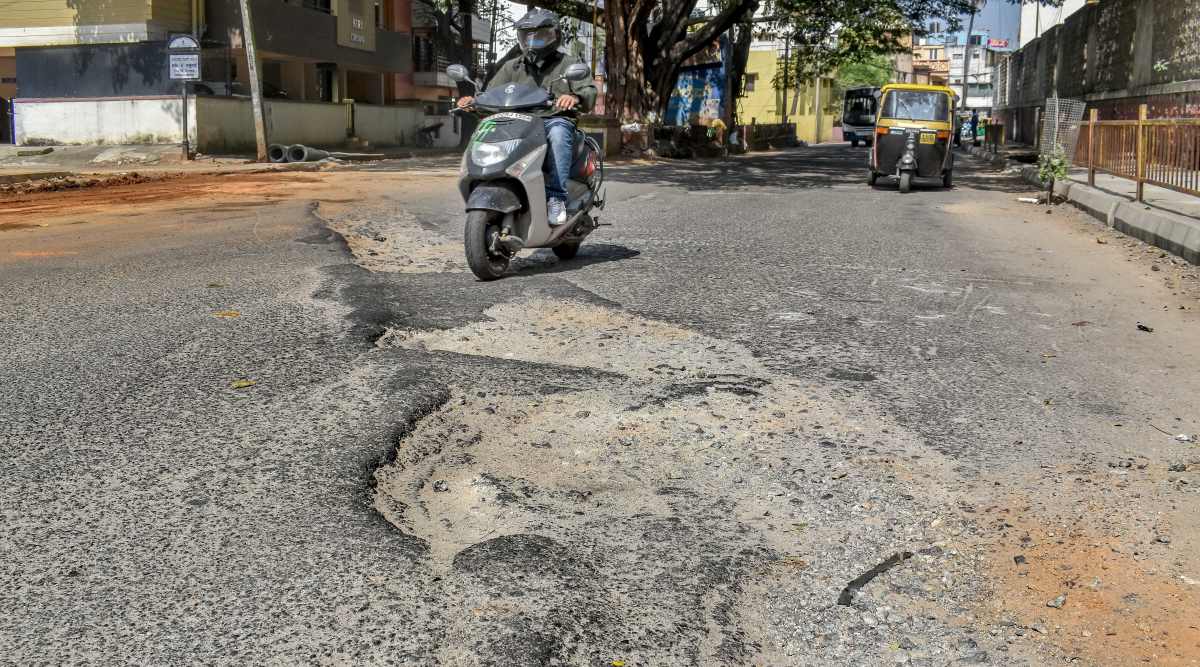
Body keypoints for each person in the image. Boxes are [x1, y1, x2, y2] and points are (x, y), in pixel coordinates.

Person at [456, 9, 597, 226]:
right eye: (527, 36)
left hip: (552, 118)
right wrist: (474, 103)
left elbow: (588, 91)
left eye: (540, 36)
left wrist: (574, 96)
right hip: (517, 121)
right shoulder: (512, 66)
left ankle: (557, 198)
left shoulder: (567, 63)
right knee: (487, 129)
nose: (533, 41)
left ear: (554, 36)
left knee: (558, 134)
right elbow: (491, 95)